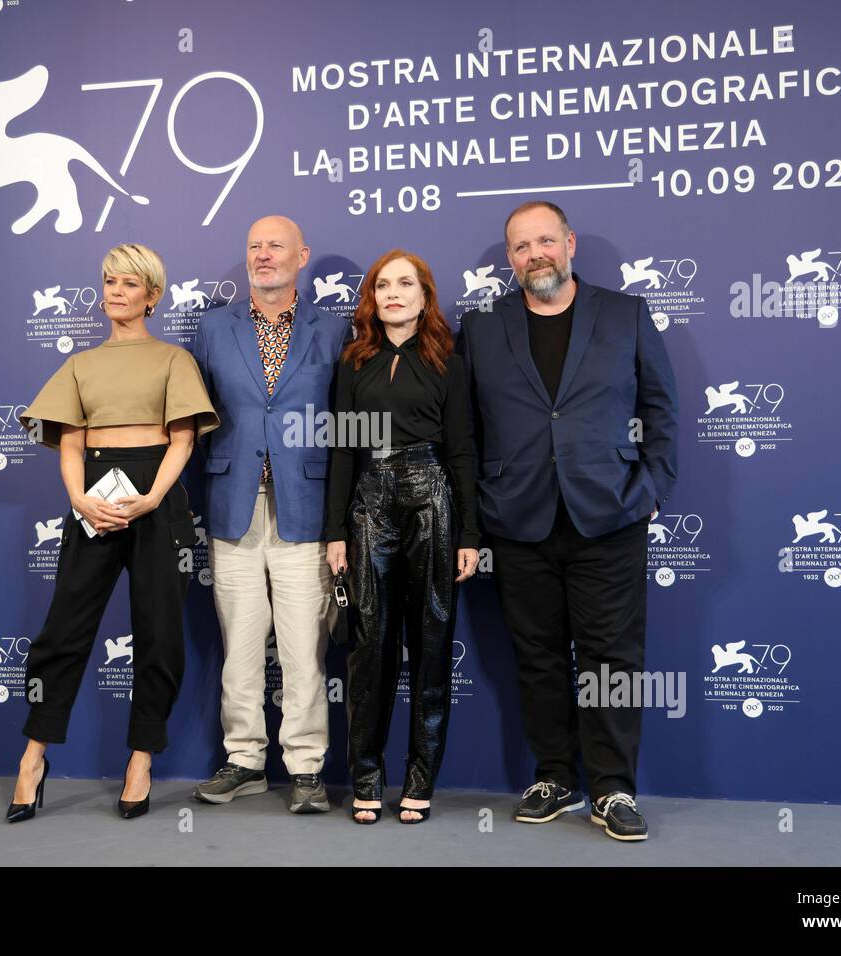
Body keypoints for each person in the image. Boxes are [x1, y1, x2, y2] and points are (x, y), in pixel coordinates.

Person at [458, 202, 678, 841]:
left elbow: (661, 407)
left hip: (609, 515)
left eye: (545, 241)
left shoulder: (625, 314)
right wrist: (477, 506)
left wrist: (654, 488)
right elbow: (464, 427)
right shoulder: (482, 327)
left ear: (570, 243)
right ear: (510, 259)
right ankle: (554, 774)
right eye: (522, 247)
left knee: (611, 659)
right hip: (517, 517)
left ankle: (612, 788)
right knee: (537, 656)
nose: (536, 255)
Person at [6, 243, 219, 823]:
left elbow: (182, 439)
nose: (115, 291)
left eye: (129, 283)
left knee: (159, 632)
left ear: (152, 296)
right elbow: (70, 444)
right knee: (63, 630)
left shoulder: (174, 359)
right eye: (108, 281)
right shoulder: (80, 364)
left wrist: (152, 497)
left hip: (159, 497)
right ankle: (32, 757)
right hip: (93, 498)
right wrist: (78, 499)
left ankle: (140, 759)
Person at [191, 216, 350, 814]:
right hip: (233, 504)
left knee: (305, 648)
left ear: (300, 255)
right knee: (240, 644)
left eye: (275, 246)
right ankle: (244, 760)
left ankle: (307, 767)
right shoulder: (211, 329)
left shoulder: (334, 331)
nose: (263, 255)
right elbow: (193, 418)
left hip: (306, 508)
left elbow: (347, 426)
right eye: (254, 245)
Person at [324, 249, 480, 825]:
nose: (393, 293)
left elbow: (463, 449)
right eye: (383, 284)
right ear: (373, 297)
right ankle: (366, 775)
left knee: (433, 642)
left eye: (405, 283)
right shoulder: (353, 361)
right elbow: (341, 448)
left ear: (424, 296)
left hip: (431, 497)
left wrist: (469, 531)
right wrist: (335, 529)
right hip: (368, 501)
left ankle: (420, 779)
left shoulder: (447, 361)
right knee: (369, 645)